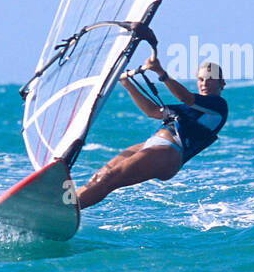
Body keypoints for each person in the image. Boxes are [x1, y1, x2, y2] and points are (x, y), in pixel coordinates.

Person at [76, 57, 228, 209]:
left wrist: (160, 72)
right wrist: (126, 83)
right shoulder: (192, 108)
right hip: (152, 145)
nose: (204, 83)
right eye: (201, 79)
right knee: (100, 175)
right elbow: (152, 111)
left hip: (169, 153)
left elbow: (186, 97)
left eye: (210, 79)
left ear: (221, 83)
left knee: (110, 178)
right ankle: (69, 203)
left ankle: (70, 209)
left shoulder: (218, 105)